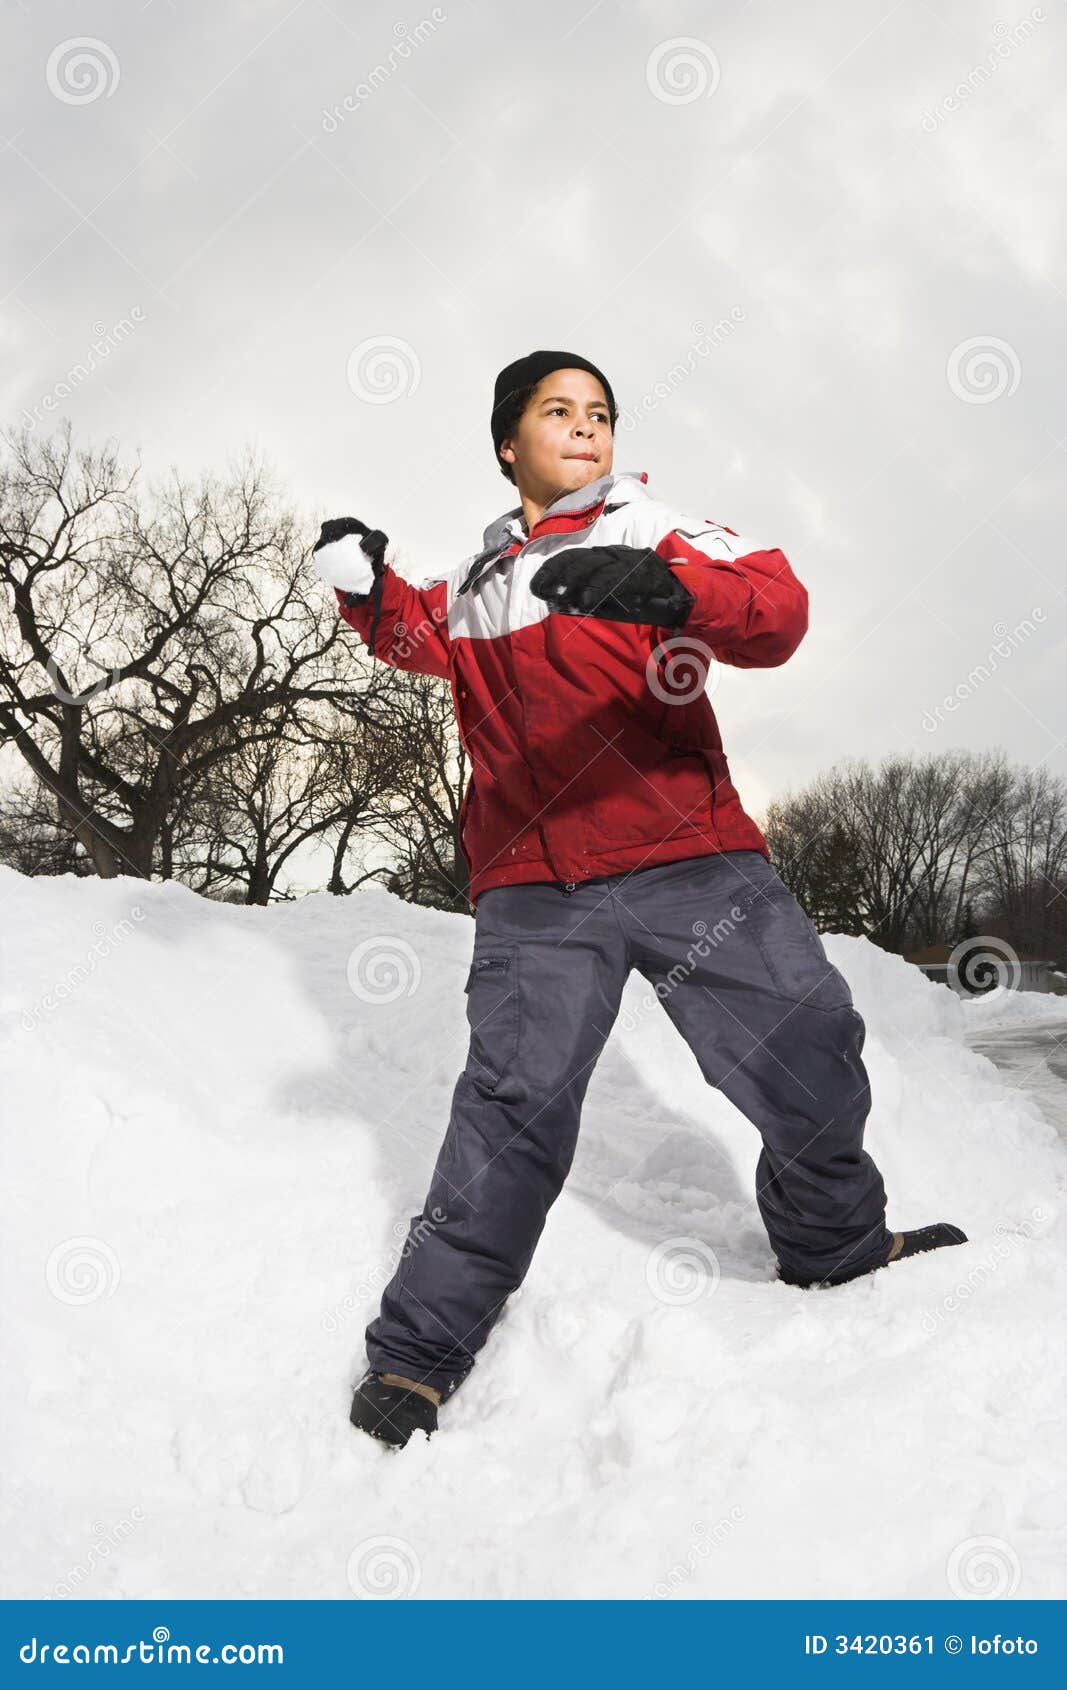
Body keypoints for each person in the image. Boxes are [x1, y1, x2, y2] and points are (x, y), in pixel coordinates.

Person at [313, 349, 967, 1450]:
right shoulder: (476, 588)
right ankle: (420, 1353)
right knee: (511, 1105)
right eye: (556, 412)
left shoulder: (645, 526)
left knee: (808, 1043)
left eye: (600, 413)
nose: (584, 428)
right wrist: (362, 583)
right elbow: (412, 636)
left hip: (685, 856)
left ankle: (833, 1241)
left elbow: (776, 608)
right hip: (534, 891)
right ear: (506, 444)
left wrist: (674, 594)